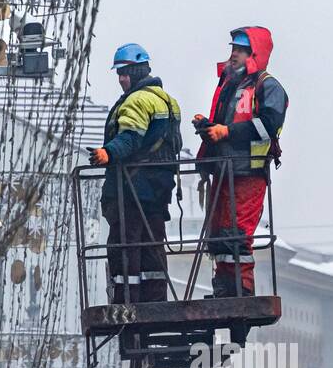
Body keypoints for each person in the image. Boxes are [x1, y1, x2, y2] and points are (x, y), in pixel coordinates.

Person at [193, 26, 288, 308]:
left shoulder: (267, 86)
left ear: (253, 54)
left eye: (239, 50)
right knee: (220, 232)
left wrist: (227, 133)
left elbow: (268, 125)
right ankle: (224, 289)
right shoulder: (230, 85)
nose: (233, 54)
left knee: (237, 233)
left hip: (248, 173)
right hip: (225, 171)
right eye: (232, 49)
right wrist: (208, 129)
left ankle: (241, 292)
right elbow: (228, 124)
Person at [90, 43, 183, 305]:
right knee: (152, 244)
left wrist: (108, 153)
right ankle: (155, 300)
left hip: (133, 188)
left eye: (124, 73)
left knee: (125, 244)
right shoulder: (167, 100)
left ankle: (126, 301)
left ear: (138, 70)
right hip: (158, 187)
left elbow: (130, 138)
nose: (121, 79)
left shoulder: (138, 100)